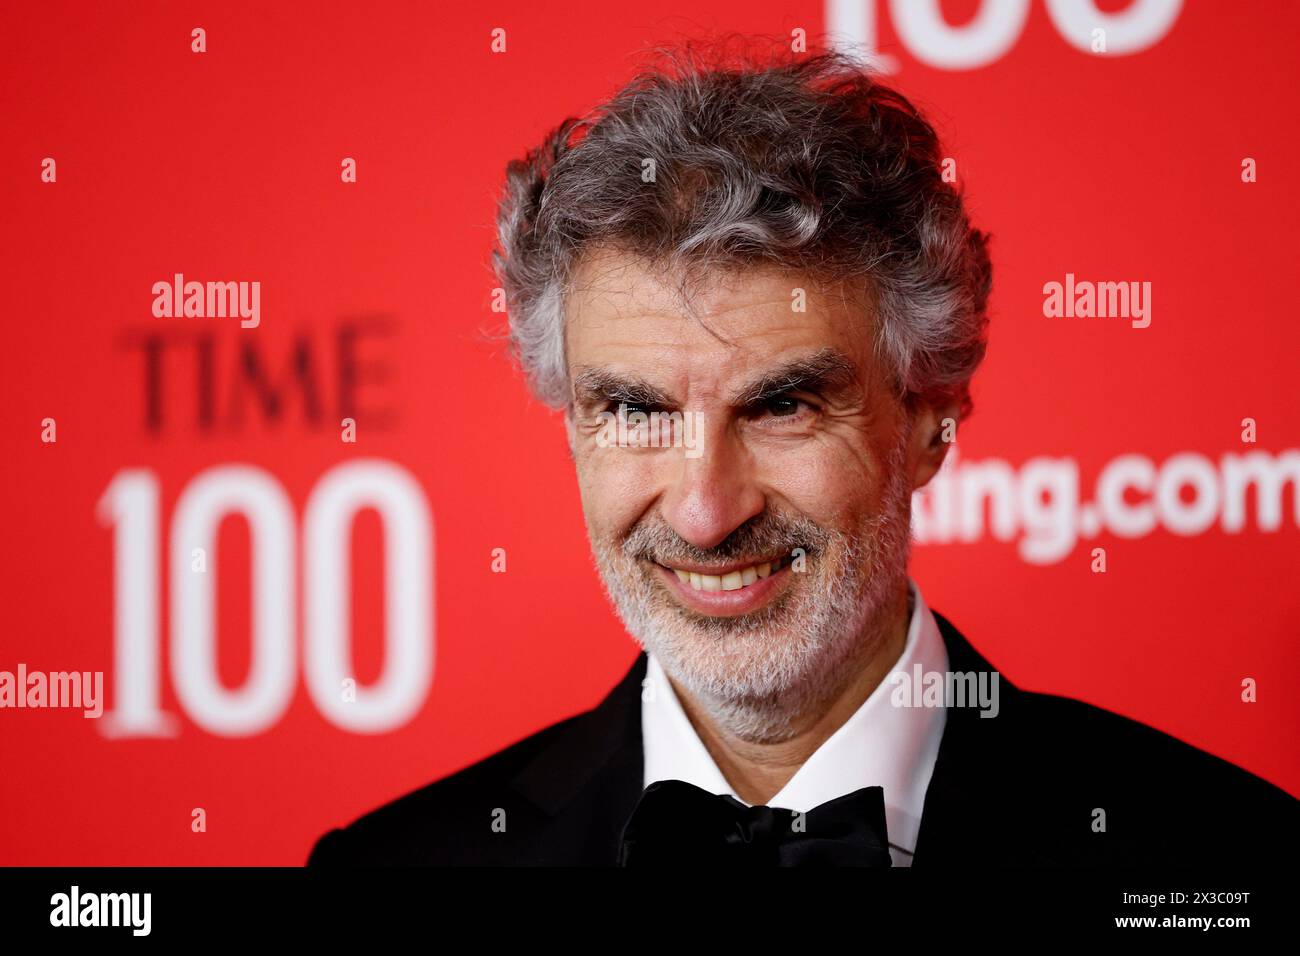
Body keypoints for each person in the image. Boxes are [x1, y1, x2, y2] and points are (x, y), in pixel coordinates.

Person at [308, 44, 1296, 866]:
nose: (704, 510)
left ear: (927, 419)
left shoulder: (1220, 856)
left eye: (780, 403)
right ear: (570, 424)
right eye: (635, 408)